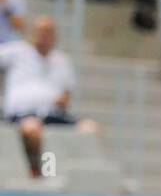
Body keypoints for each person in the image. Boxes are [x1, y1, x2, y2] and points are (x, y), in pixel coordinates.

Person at [0, 17, 98, 178]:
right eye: (40, 32)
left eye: (47, 32)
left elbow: (67, 91)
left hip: (53, 114)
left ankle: (87, 177)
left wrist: (62, 100)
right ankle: (44, 172)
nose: (43, 36)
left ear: (55, 36)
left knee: (90, 128)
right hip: (23, 115)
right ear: (32, 33)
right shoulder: (17, 51)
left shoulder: (62, 60)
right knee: (34, 130)